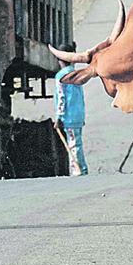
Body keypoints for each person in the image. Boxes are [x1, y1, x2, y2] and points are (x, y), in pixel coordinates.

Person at [54, 43, 88, 176]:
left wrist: (58, 116)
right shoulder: (76, 74)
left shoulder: (61, 76)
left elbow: (62, 98)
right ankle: (81, 168)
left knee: (73, 144)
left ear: (60, 60)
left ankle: (78, 169)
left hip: (68, 116)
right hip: (78, 114)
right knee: (77, 143)